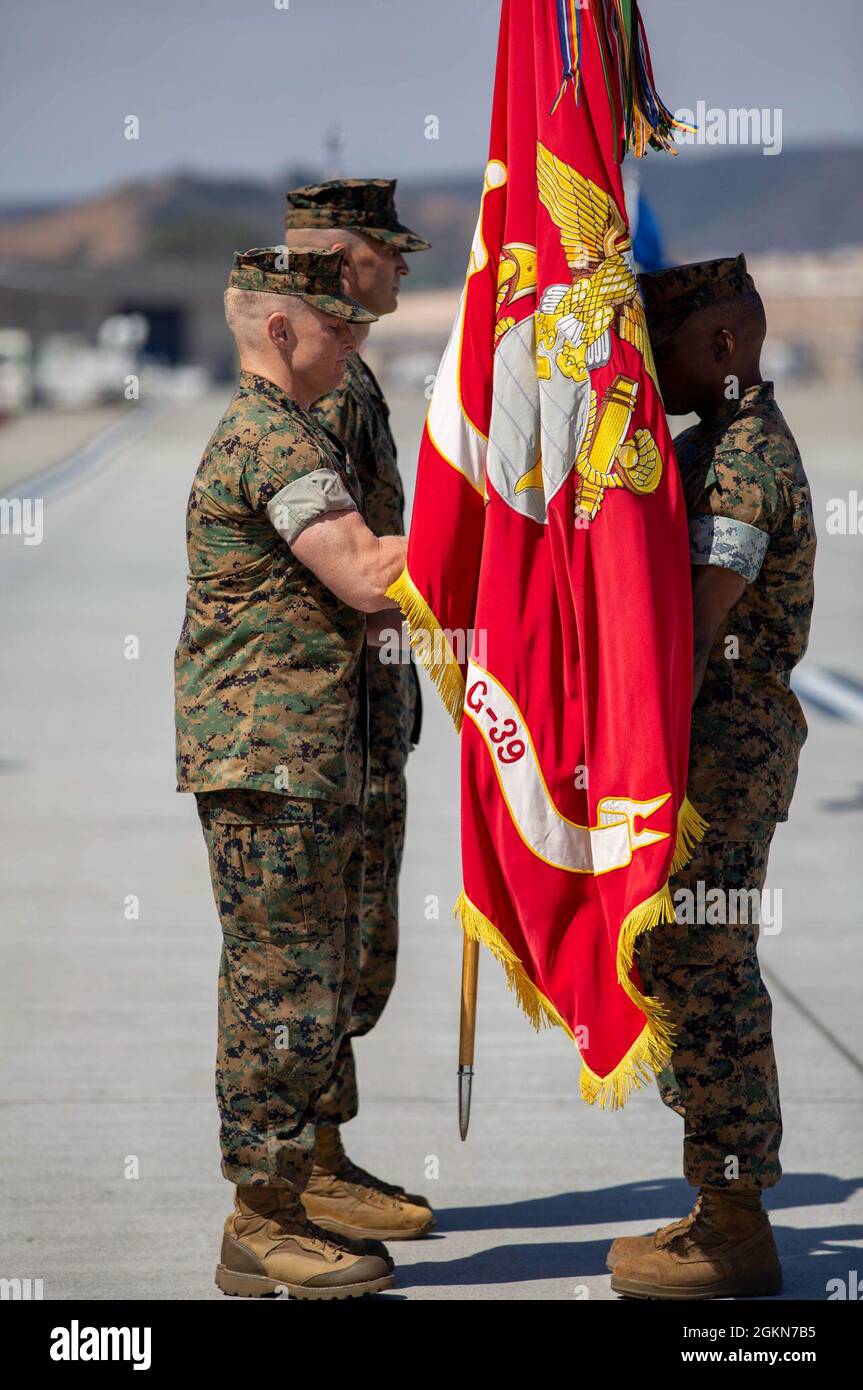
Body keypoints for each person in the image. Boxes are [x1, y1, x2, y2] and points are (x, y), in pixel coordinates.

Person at [174, 245, 408, 1299]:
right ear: (278, 331)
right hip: (270, 759)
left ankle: (292, 1190)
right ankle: (258, 1221)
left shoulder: (299, 426)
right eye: (336, 326)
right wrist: (498, 531)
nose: (356, 339)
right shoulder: (269, 439)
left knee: (307, 982)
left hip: (303, 756)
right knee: (280, 990)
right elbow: (364, 572)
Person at [607, 255, 816, 1299]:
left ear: (724, 348)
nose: (646, 372)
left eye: (662, 351)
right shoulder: (703, 448)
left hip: (721, 757)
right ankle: (719, 1200)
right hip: (698, 752)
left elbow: (689, 626)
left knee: (707, 967)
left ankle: (734, 1222)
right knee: (684, 966)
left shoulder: (743, 464)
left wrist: (622, 746)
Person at [281, 179, 434, 1240]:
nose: (406, 267)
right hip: (322, 717)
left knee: (356, 945)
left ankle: (323, 1150)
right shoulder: (319, 390)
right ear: (343, 254)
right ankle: (297, 1170)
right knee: (318, 948)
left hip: (364, 705)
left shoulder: (348, 373)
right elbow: (357, 564)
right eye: (390, 250)